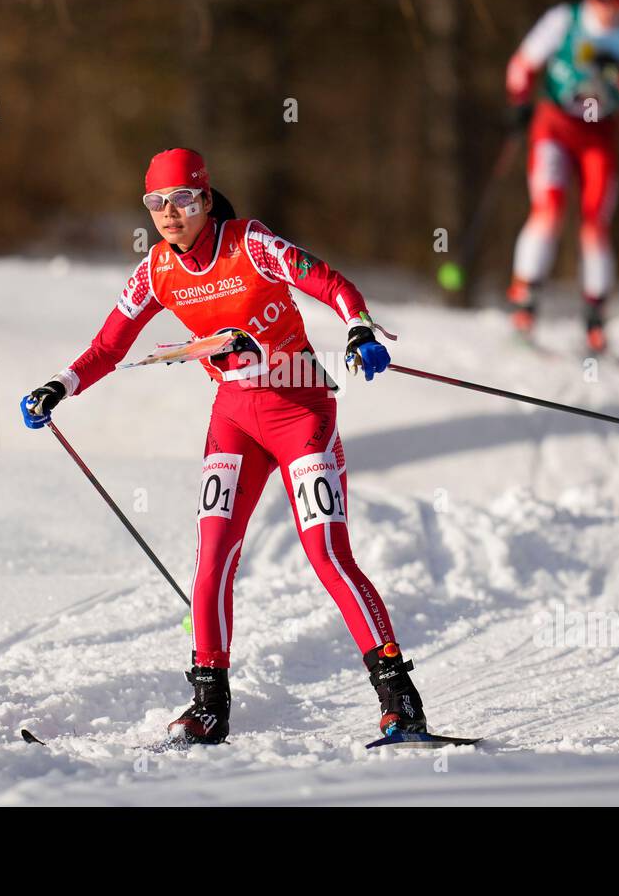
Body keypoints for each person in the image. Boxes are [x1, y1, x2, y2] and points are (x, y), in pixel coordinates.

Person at [21, 148, 427, 744]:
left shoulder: (251, 243)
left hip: (301, 407)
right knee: (212, 557)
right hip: (234, 418)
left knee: (326, 555)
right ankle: (208, 706)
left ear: (206, 200)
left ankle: (401, 701)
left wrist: (359, 324)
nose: (169, 213)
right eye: (156, 203)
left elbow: (328, 281)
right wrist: (60, 386)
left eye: (182, 199)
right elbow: (108, 346)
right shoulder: (156, 269)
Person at [504, 0, 619, 353]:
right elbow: (521, 65)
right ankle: (524, 301)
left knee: (595, 223)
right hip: (555, 128)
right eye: (600, 1)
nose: (608, 10)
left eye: (616, 3)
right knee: (549, 209)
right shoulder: (564, 20)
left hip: (599, 134)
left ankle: (595, 318)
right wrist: (521, 100)